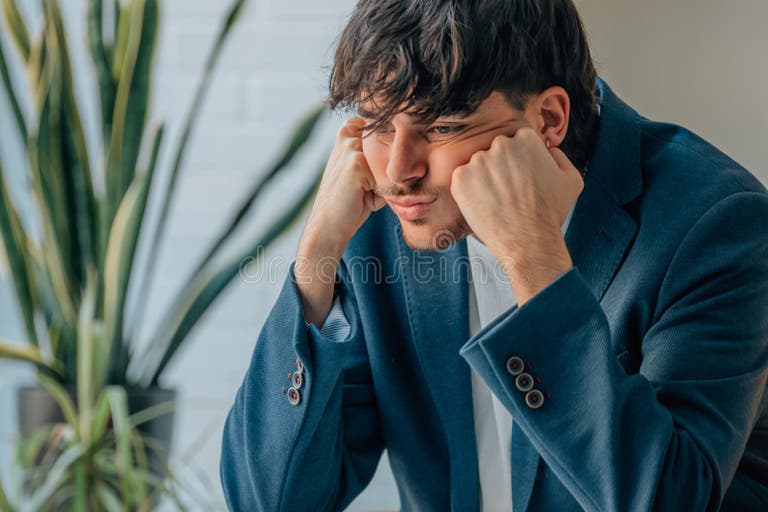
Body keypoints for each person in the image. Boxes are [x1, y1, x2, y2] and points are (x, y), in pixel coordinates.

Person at [220, 1, 768, 510]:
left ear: (549, 120)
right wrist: (317, 252)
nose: (398, 171)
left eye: (444, 126)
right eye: (378, 122)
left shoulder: (717, 224)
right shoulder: (385, 213)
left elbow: (668, 499)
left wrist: (535, 260)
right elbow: (270, 501)